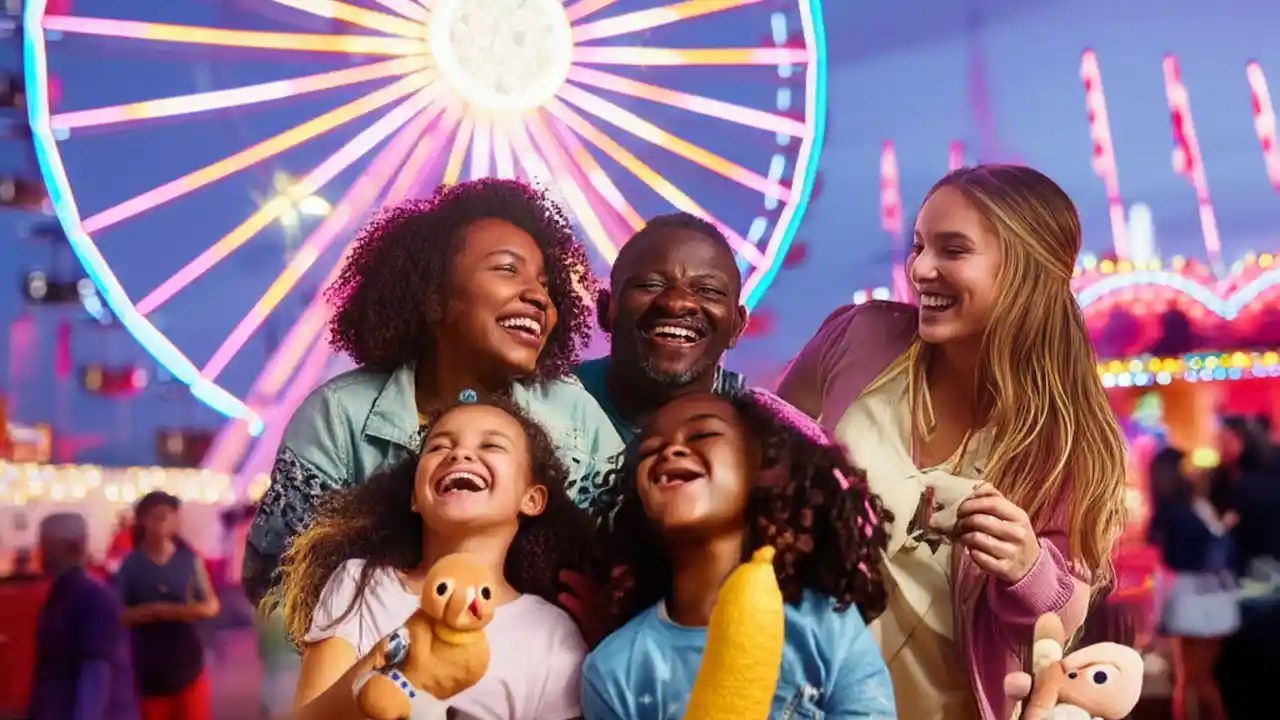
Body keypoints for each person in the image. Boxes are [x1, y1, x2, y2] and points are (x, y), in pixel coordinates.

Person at [778, 165, 1128, 719]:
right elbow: (766, 446)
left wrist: (1025, 565)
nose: (920, 269)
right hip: (805, 698)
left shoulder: (1064, 440)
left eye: (953, 250)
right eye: (918, 246)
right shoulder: (858, 338)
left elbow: (1059, 625)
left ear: (1026, 271)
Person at [243, 178, 623, 606]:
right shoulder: (339, 416)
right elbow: (278, 588)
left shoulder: (572, 414)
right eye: (507, 269)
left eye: (547, 285)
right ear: (433, 294)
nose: (539, 297)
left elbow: (628, 552)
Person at [270, 397, 592, 720]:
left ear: (532, 499)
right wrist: (395, 672)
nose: (460, 454)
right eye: (439, 446)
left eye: (492, 445)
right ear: (415, 497)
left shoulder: (551, 634)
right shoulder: (359, 584)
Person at [582, 390, 896, 718]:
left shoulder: (823, 622)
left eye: (703, 434)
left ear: (761, 471)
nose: (671, 449)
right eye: (650, 450)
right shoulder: (615, 672)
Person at [572, 214, 748, 508]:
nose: (678, 303)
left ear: (737, 326)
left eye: (708, 291)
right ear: (605, 309)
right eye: (650, 285)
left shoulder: (764, 440)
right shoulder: (537, 413)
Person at [1147, 447, 1236, 720]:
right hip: (1200, 598)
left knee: (1192, 677)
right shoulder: (1182, 510)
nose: (1194, 472)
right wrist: (1222, 534)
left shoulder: (1175, 507)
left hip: (1192, 597)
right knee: (1195, 678)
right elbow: (1191, 555)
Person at [115, 492, 220, 720]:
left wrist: (174, 612)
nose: (162, 522)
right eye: (156, 516)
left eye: (169, 516)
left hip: (189, 666)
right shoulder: (130, 566)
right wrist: (149, 613)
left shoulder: (189, 561)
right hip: (150, 671)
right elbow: (118, 615)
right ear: (142, 520)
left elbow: (211, 605)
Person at [30, 513, 137, 720]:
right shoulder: (64, 593)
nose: (41, 555)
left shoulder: (91, 598)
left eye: (46, 547)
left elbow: (96, 675)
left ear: (74, 547)